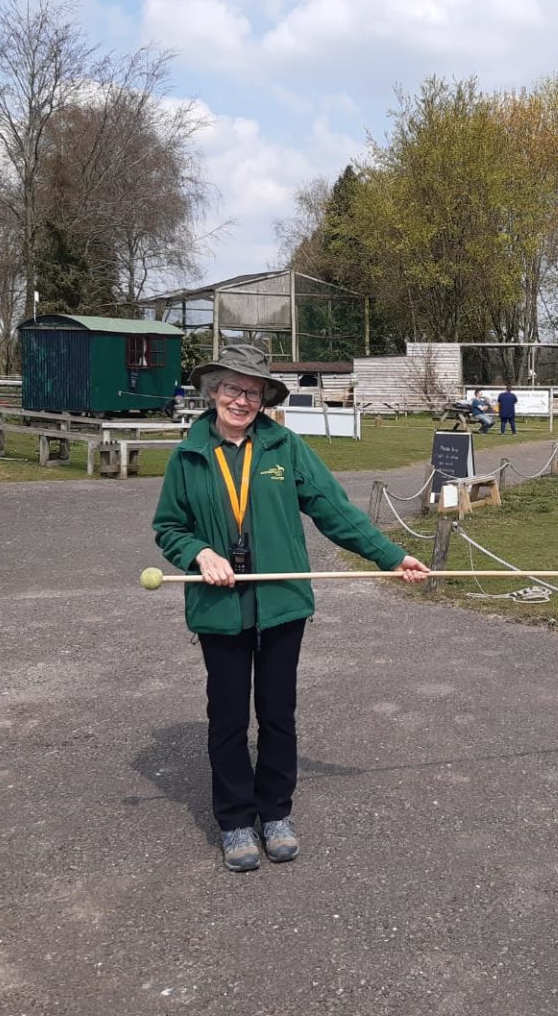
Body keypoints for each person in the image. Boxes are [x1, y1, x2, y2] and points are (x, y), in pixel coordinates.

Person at [152, 344, 430, 872]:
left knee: (278, 714)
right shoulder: (188, 454)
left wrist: (390, 556)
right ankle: (235, 820)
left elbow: (334, 510)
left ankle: (276, 812)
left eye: (252, 391)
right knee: (228, 717)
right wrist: (199, 552)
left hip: (282, 603)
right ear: (213, 392)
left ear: (264, 399)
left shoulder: (284, 448)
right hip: (219, 606)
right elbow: (169, 527)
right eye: (232, 388)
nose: (241, 399)